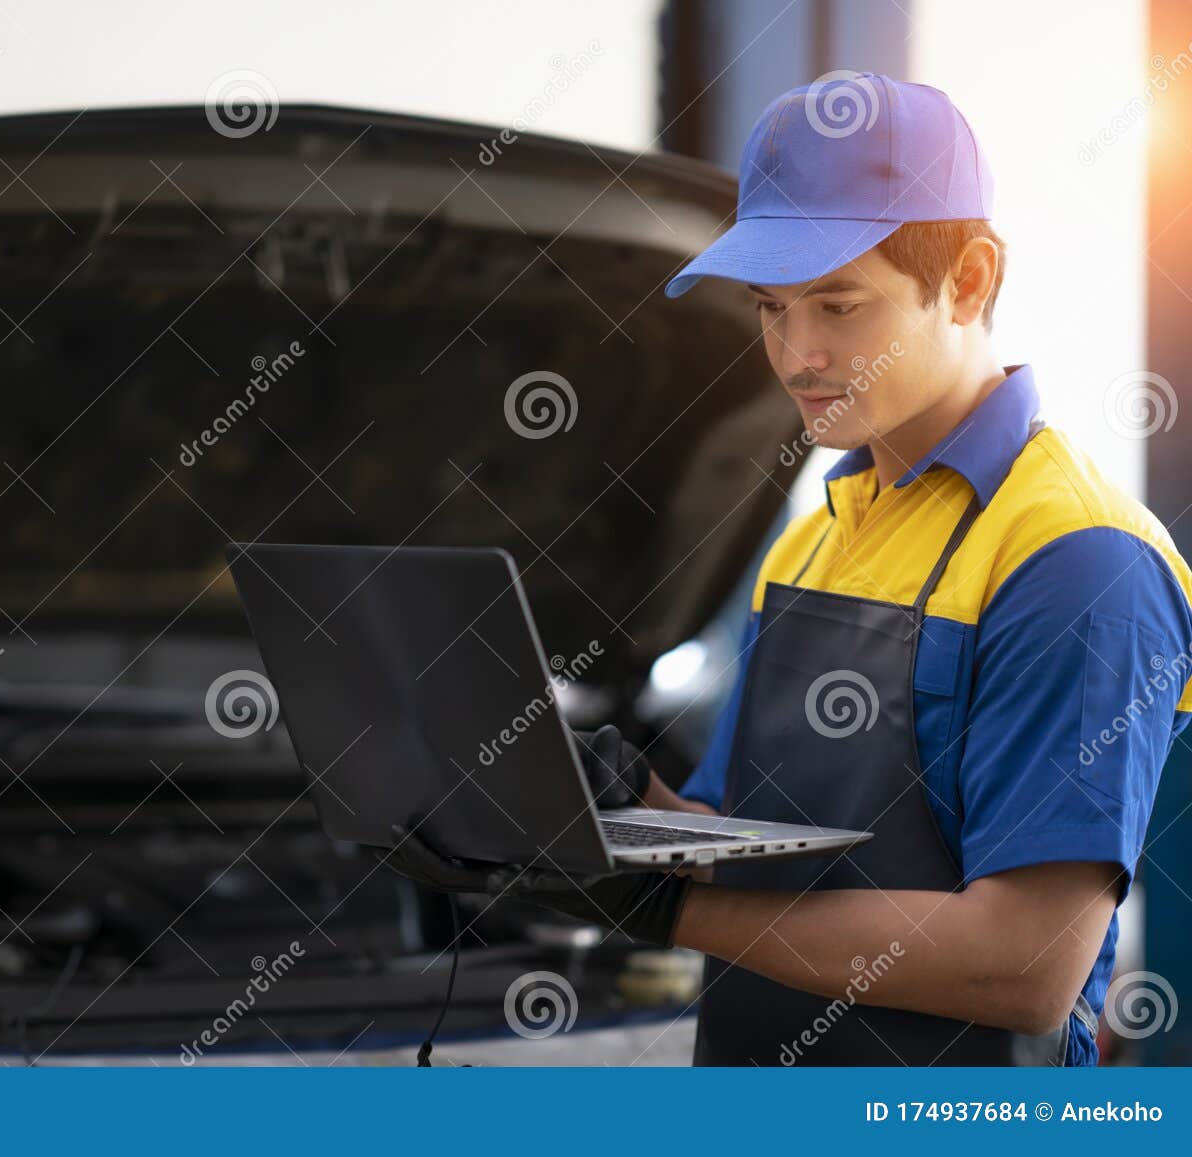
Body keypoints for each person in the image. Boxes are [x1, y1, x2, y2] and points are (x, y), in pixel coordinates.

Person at [382, 73, 1192, 1066]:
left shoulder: (1076, 562)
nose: (798, 353)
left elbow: (1024, 963)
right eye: (770, 307)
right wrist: (617, 812)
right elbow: (749, 839)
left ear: (971, 279)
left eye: (838, 304)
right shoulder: (817, 535)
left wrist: (665, 909)